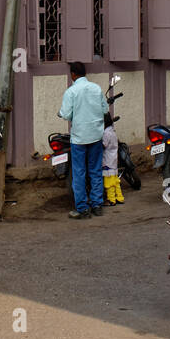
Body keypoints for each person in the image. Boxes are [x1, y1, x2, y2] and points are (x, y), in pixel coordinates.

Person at [59, 61, 109, 220]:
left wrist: (61, 113)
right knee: (95, 170)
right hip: (95, 135)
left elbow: (66, 114)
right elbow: (105, 110)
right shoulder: (96, 88)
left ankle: (82, 208)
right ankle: (97, 205)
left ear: (73, 74)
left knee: (79, 173)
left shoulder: (71, 92)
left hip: (79, 138)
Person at [102, 114, 123, 206]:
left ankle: (111, 200)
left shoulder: (106, 133)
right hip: (114, 159)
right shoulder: (112, 131)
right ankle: (119, 197)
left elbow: (104, 145)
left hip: (107, 160)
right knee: (116, 180)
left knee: (108, 182)